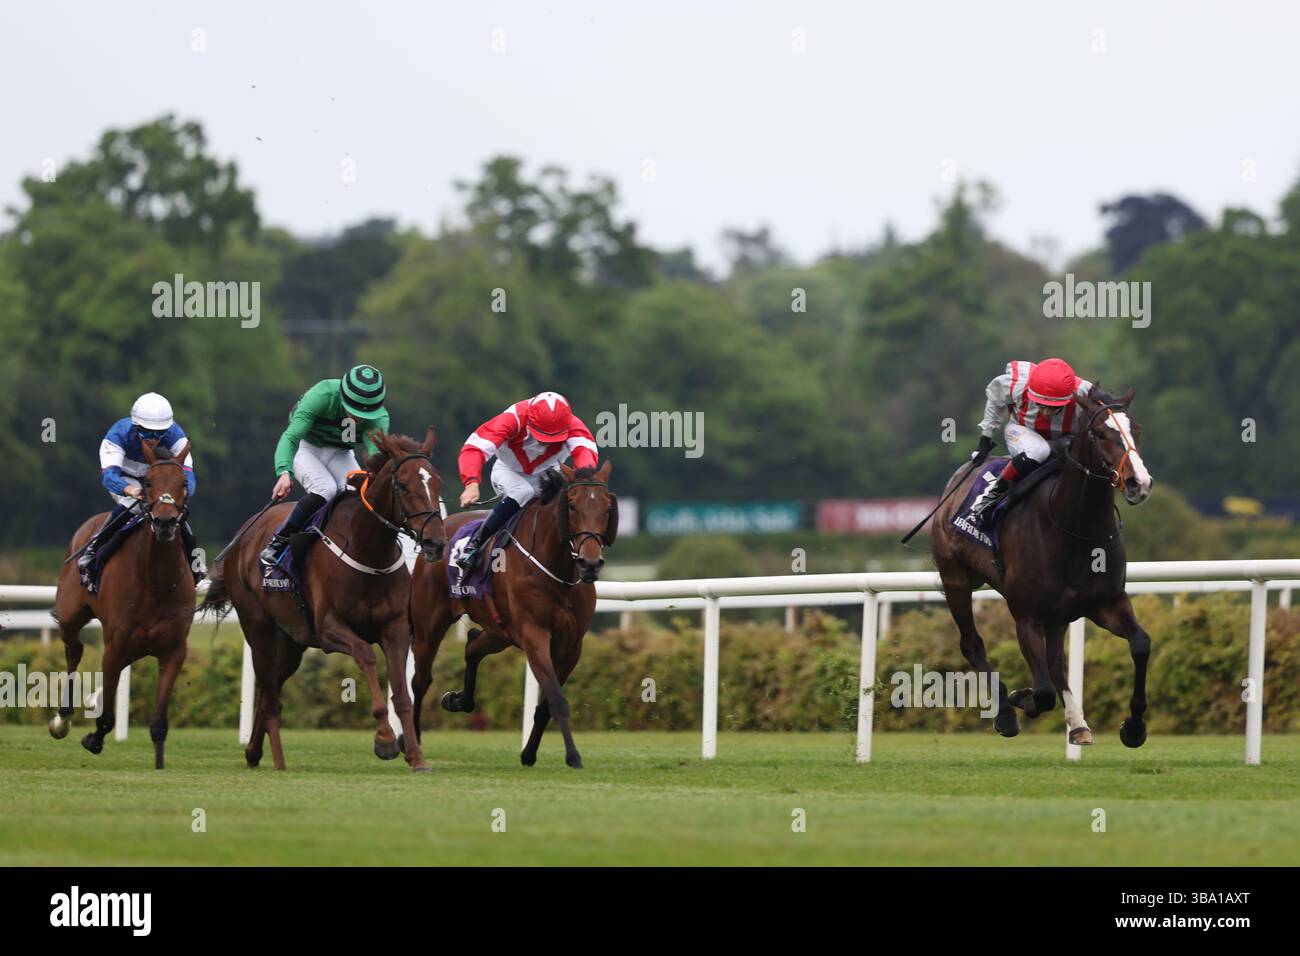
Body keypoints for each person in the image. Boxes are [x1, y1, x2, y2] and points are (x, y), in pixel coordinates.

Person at [259, 365, 390, 567]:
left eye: (366, 415)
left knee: (354, 493)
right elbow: (291, 437)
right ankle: (279, 542)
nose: (359, 418)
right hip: (308, 448)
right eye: (354, 410)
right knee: (325, 489)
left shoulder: (379, 418)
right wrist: (284, 472)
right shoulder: (323, 394)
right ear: (343, 396)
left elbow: (376, 458)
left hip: (341, 453)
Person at [453, 391, 599, 570]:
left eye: (554, 438)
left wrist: (580, 485)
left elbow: (586, 458)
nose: (546, 443)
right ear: (530, 420)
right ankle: (474, 546)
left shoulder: (574, 425)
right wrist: (471, 483)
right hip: (507, 471)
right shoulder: (513, 417)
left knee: (567, 501)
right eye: (542, 436)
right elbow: (475, 448)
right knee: (523, 491)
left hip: (548, 473)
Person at [80, 392, 200, 579]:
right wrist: (131, 490)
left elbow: (189, 476)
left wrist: (181, 492)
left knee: (177, 512)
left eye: (160, 433)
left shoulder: (176, 436)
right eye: (147, 432)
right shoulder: (117, 435)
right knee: (133, 507)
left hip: (159, 481)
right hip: (124, 478)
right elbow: (109, 476)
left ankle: (195, 563)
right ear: (136, 427)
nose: (153, 438)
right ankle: (93, 549)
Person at [969, 358, 1093, 522]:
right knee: (1039, 450)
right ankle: (992, 494)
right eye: (1042, 405)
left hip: (1064, 440)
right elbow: (994, 396)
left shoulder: (1084, 392)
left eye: (1055, 407)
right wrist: (985, 439)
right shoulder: (1018, 385)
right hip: (1022, 431)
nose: (1047, 413)